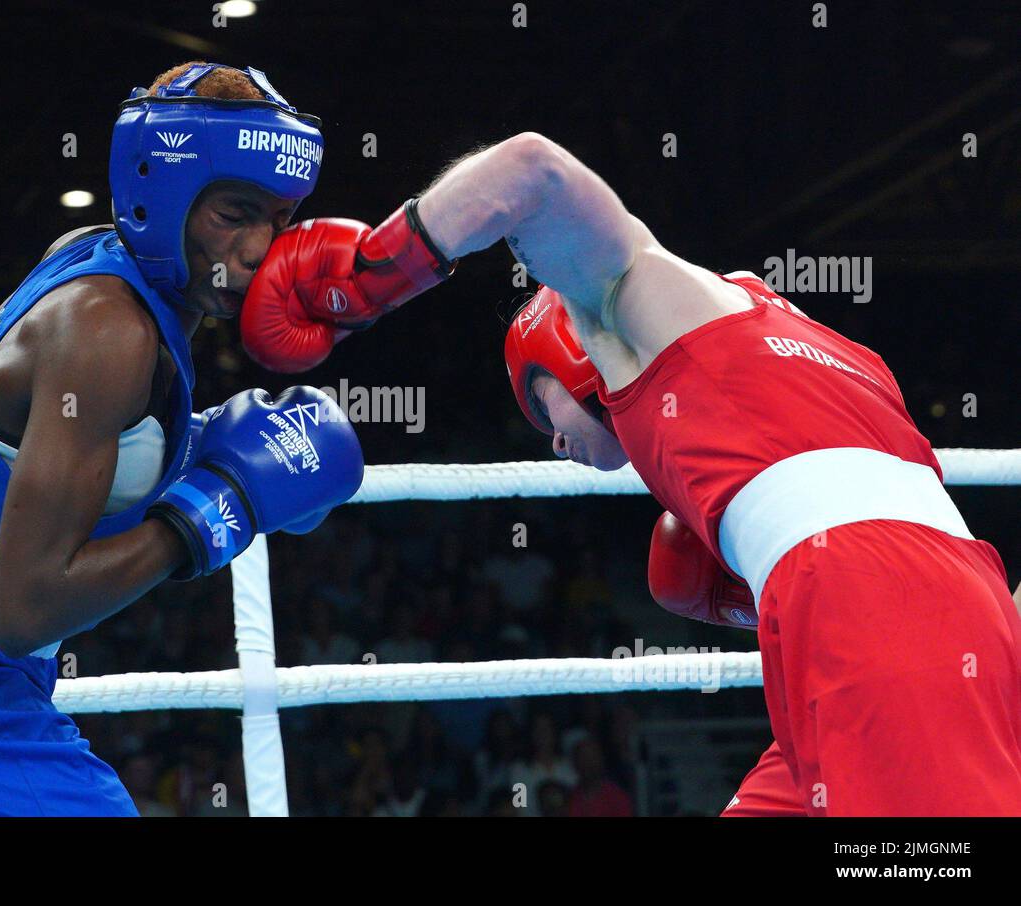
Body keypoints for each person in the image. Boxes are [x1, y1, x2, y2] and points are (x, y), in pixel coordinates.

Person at [241, 132, 1021, 816]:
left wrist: (369, 281)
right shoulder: (825, 355)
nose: (551, 443)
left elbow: (530, 170)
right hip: (925, 608)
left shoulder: (632, 304)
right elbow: (926, 551)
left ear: (579, 360)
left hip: (871, 606)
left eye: (545, 413)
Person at [0, 62, 363, 816]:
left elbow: (81, 451)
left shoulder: (98, 263)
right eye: (236, 212)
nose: (263, 248)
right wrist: (217, 507)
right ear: (164, 193)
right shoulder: (108, 334)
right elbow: (26, 611)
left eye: (279, 218)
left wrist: (209, 449)